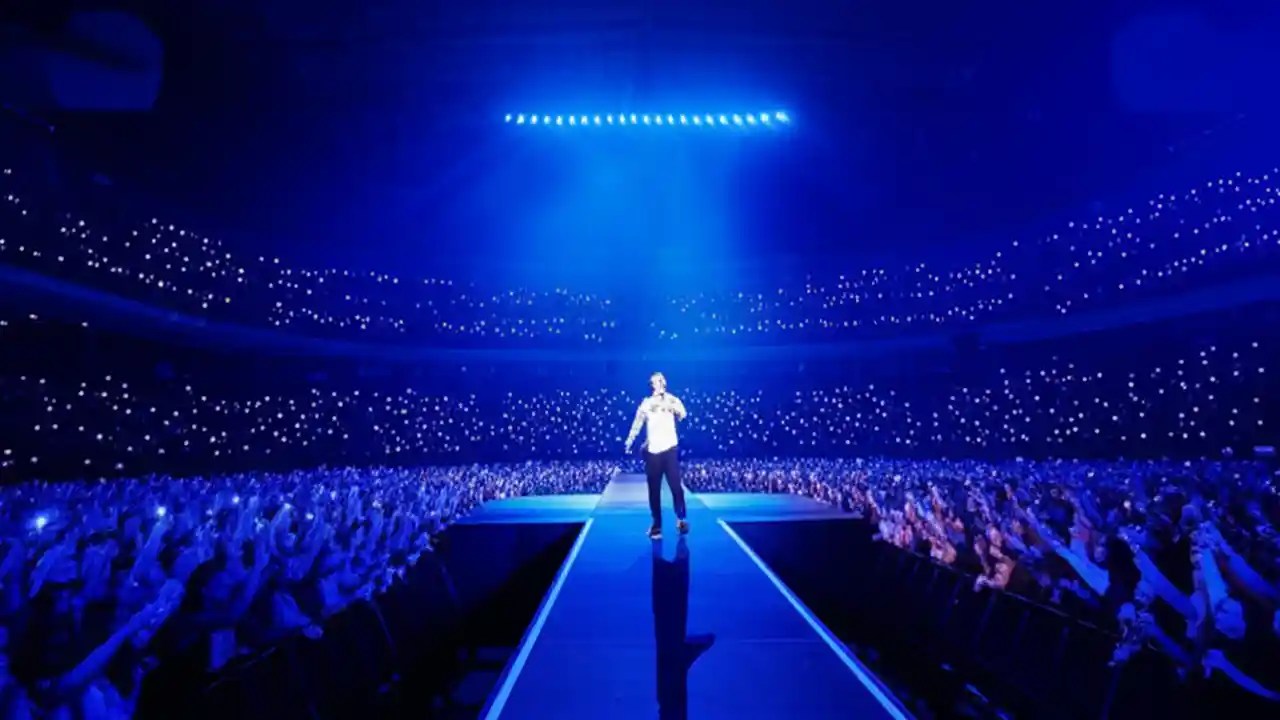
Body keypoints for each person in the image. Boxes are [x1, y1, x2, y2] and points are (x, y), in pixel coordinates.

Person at [624, 372, 689, 539]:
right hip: (653, 452)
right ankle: (657, 526)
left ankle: (681, 519)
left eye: (660, 380)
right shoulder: (646, 403)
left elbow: (683, 414)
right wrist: (630, 440)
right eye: (655, 381)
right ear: (652, 385)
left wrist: (673, 408)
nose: (658, 383)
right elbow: (637, 423)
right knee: (654, 490)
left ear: (664, 383)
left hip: (670, 450)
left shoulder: (672, 400)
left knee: (676, 487)